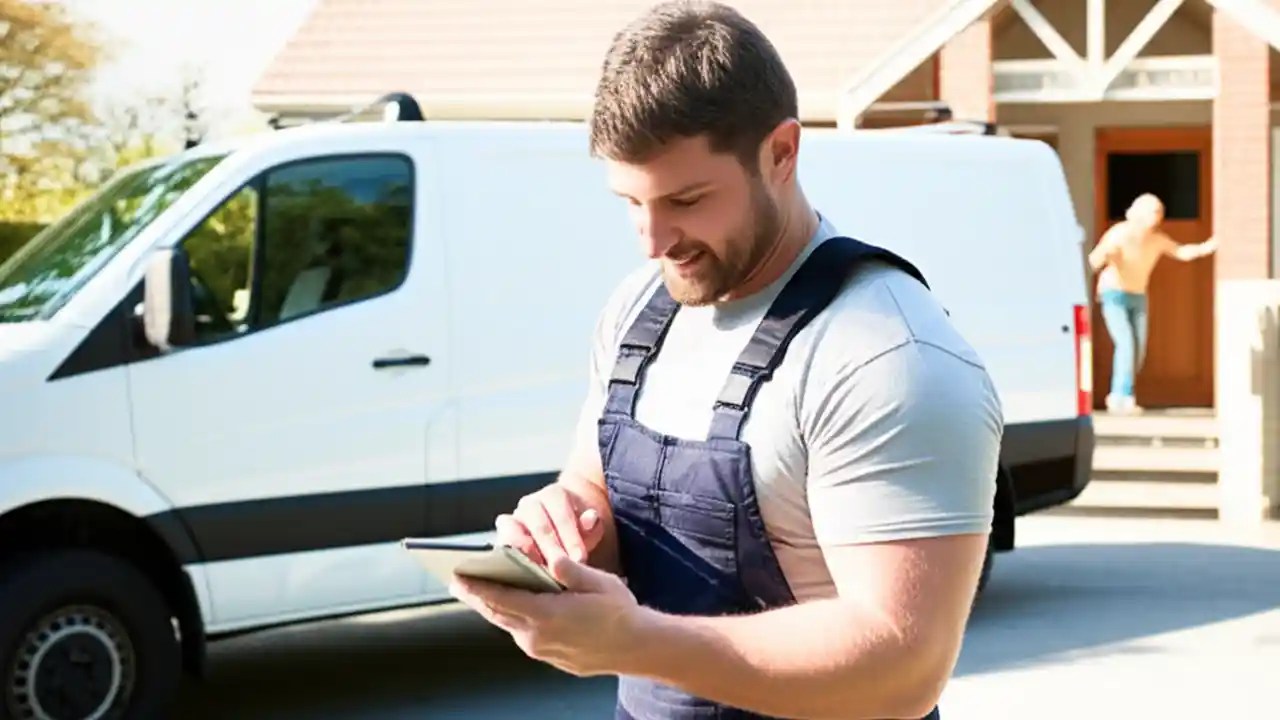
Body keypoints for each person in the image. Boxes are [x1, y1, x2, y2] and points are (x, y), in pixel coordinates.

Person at [449, 2, 1004, 718]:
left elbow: (903, 666)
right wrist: (564, 525)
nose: (653, 240)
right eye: (630, 201)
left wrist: (638, 643)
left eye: (686, 198)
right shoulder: (638, 308)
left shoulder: (886, 355)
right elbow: (593, 482)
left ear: (782, 153)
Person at [1087, 193, 1218, 414]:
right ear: (1139, 213)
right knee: (1126, 343)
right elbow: (1094, 260)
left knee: (1138, 348)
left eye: (1159, 213)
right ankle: (1120, 396)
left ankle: (1124, 391)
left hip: (1138, 295)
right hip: (1113, 294)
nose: (1157, 217)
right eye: (1153, 212)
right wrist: (1107, 257)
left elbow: (1180, 251)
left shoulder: (1156, 239)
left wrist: (1206, 247)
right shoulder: (1119, 233)